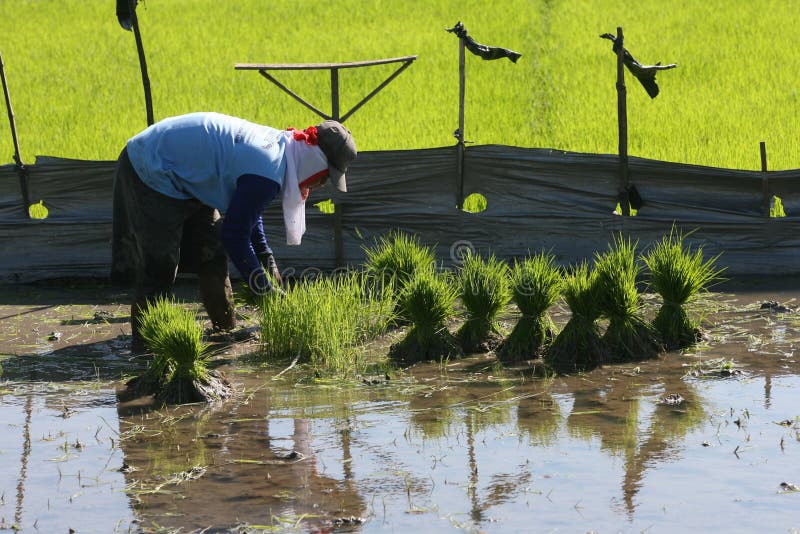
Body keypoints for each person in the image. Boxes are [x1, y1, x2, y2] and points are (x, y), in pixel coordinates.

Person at [111, 112, 357, 349]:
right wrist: (263, 286)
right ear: (315, 161)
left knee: (213, 253)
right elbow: (235, 233)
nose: (322, 183)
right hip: (153, 165)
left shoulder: (283, 151)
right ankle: (144, 347)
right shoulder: (270, 167)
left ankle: (224, 333)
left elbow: (246, 215)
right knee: (161, 263)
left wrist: (266, 258)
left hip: (188, 173)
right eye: (325, 176)